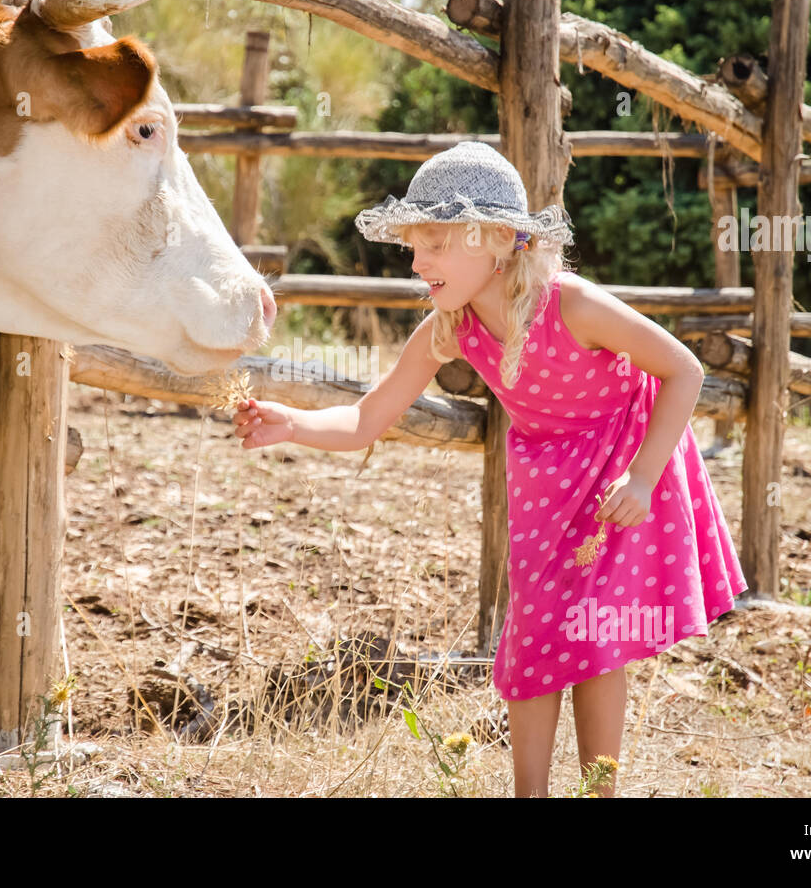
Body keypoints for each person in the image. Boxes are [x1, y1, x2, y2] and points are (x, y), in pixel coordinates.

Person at [231, 141, 747, 797]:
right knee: (534, 630)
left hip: (624, 457)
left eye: (437, 243)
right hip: (546, 479)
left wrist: (644, 476)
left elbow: (684, 370)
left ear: (498, 239)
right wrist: (294, 424)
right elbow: (367, 418)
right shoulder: (450, 326)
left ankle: (599, 790)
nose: (418, 262)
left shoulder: (574, 305)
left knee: (596, 634)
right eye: (415, 245)